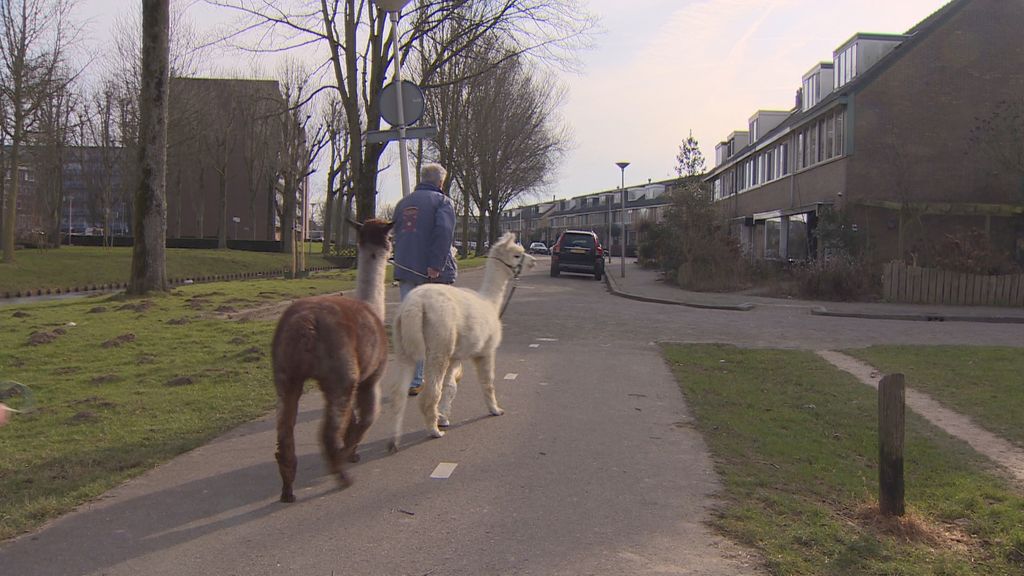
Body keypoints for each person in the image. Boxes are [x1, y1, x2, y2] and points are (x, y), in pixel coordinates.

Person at [392, 163, 458, 395]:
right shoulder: (443, 202)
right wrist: (436, 265)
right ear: (440, 182)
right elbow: (444, 233)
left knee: (412, 326)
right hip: (429, 274)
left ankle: (413, 379)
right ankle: (437, 375)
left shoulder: (403, 203)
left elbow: (397, 233)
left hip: (405, 270)